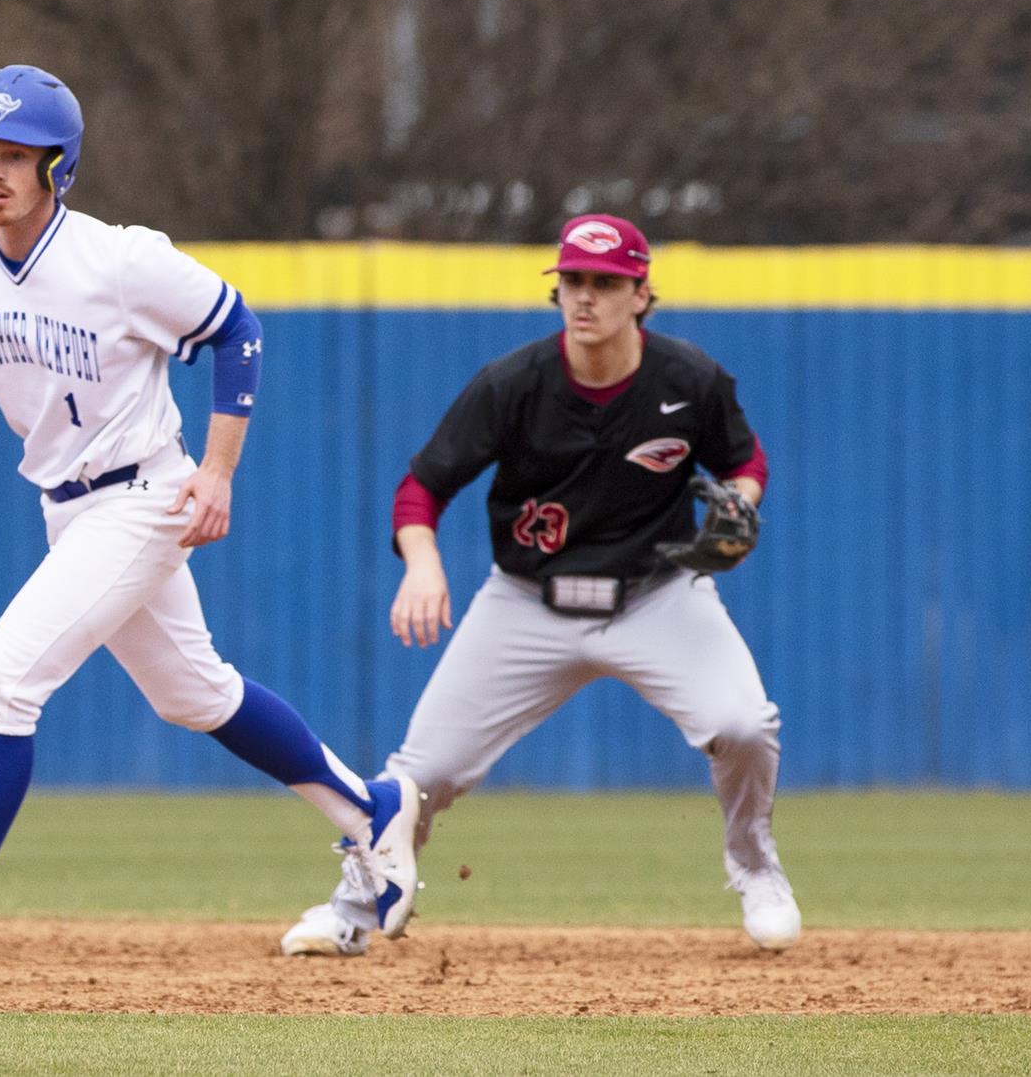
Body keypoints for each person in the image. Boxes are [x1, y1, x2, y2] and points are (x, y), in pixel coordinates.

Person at [0, 64, 423, 984]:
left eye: (17, 156)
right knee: (196, 694)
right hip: (67, 509)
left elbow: (239, 329)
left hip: (144, 497)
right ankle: (371, 810)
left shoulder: (118, 259)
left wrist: (219, 471)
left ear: (58, 168)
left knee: (4, 683)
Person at [279, 215, 801, 958]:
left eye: (606, 283)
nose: (585, 297)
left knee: (745, 726)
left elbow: (745, 463)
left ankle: (755, 867)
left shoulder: (690, 381)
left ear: (642, 293)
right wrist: (423, 562)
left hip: (657, 595)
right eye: (573, 281)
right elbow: (420, 489)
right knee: (420, 773)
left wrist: (743, 503)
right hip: (527, 603)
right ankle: (359, 903)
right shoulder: (513, 385)